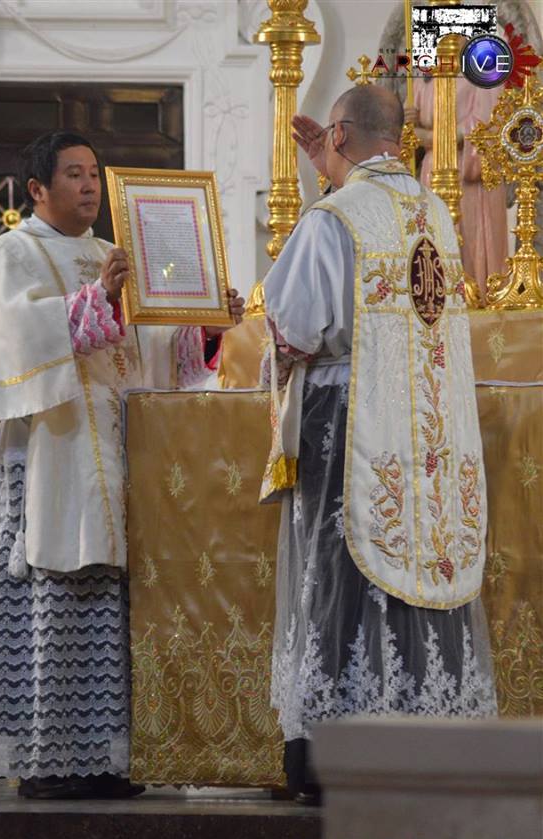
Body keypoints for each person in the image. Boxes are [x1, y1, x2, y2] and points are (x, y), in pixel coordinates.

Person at [0, 130, 244, 799]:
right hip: (46, 457)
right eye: (74, 174)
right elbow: (10, 341)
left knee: (109, 613)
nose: (89, 185)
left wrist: (205, 326)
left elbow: (151, 351)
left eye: (93, 173)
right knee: (52, 608)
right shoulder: (11, 255)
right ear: (37, 189)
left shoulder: (113, 254)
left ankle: (107, 760)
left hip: (113, 454)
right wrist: (97, 302)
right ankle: (47, 765)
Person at [261, 87, 497, 806]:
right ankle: (426, 752)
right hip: (429, 434)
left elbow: (293, 327)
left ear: (338, 135)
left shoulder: (333, 217)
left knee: (342, 576)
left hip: (348, 421)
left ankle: (335, 758)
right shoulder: (436, 213)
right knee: (414, 576)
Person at [405, 77, 509, 295]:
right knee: (433, 239)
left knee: (470, 246)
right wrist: (406, 122)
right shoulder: (424, 76)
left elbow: (488, 125)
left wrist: (431, 137)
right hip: (432, 169)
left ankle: (476, 297)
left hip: (469, 171)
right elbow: (410, 134)